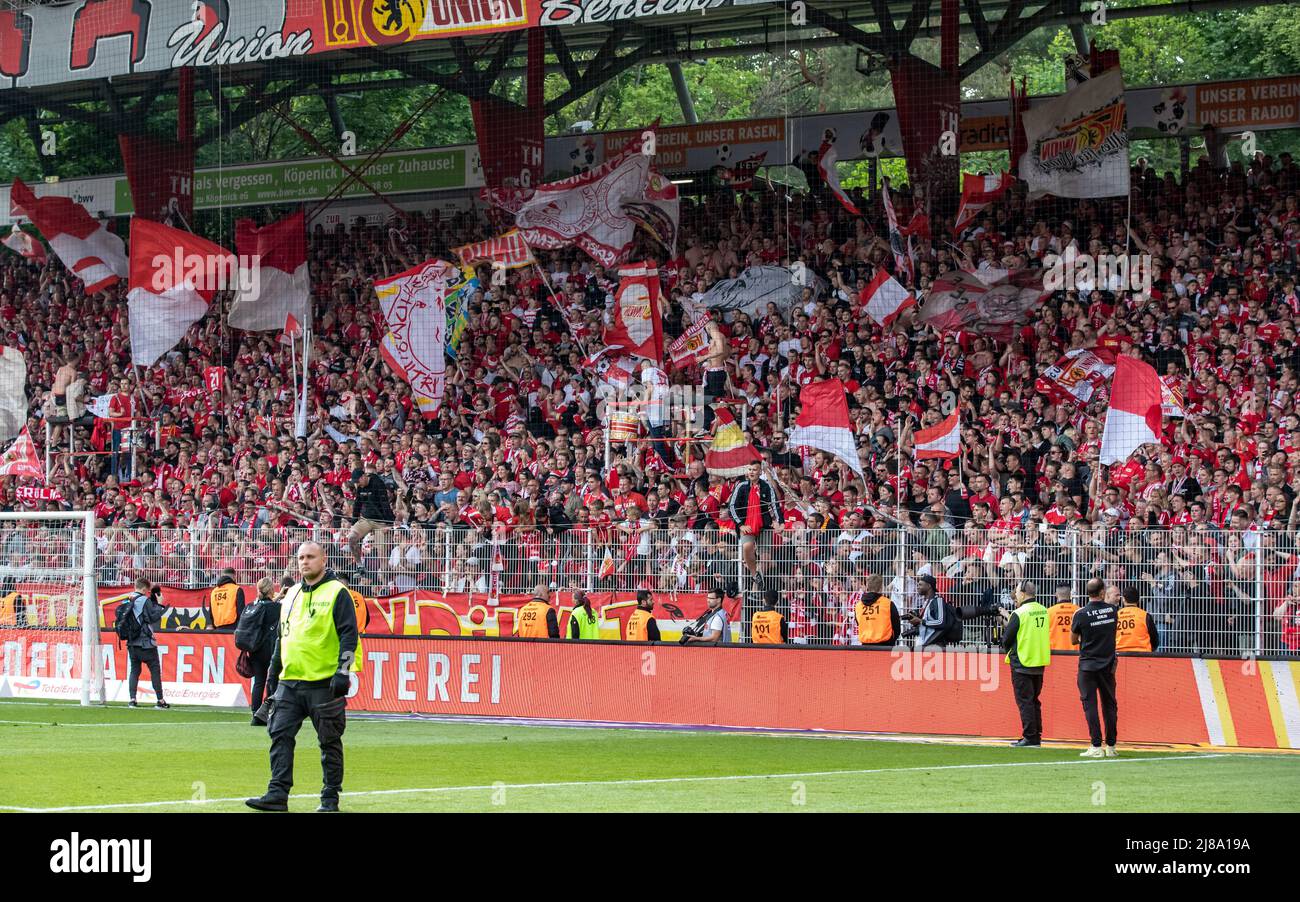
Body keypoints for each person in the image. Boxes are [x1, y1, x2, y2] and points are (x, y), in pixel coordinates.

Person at [246, 542, 359, 813]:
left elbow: (348, 635)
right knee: (279, 734)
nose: (304, 562)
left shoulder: (337, 592)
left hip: (324, 683)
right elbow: (283, 636)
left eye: (310, 557)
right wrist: (273, 674)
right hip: (291, 681)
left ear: (323, 559)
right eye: (300, 558)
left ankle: (329, 799)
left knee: (329, 741)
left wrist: (343, 671)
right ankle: (277, 794)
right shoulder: (292, 593)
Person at [999, 580, 1051, 748]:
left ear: (1022, 593)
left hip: (1021, 662)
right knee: (1034, 700)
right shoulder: (1043, 610)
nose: (1016, 595)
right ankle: (1036, 735)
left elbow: (1006, 639)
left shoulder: (1019, 613)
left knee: (1025, 701)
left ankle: (1029, 737)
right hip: (1039, 661)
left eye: (1016, 592)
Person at [1072, 577, 1119, 758]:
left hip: (1087, 665)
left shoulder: (1081, 614)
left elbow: (1073, 640)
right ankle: (1112, 746)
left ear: (1088, 593)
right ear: (1102, 593)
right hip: (1107, 665)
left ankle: (1096, 745)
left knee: (1089, 704)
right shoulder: (1113, 611)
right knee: (1110, 704)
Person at [727, 460, 782, 595]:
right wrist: (740, 524)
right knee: (747, 547)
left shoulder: (766, 487)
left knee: (765, 557)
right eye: (750, 469)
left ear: (760, 472)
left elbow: (775, 504)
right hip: (746, 525)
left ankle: (756, 586)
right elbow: (732, 506)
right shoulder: (741, 486)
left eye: (754, 470)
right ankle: (755, 576)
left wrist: (780, 521)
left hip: (764, 526)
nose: (751, 472)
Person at [119, 577, 170, 710]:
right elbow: (153, 617)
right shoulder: (144, 600)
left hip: (131, 642)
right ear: (143, 589)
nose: (148, 593)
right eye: (147, 591)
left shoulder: (127, 599)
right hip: (145, 642)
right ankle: (160, 700)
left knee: (134, 671)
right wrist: (159, 604)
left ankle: (132, 699)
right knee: (154, 669)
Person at [244, 577, 282, 726]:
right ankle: (269, 711)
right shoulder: (275, 607)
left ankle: (256, 712)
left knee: (258, 681)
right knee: (272, 680)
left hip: (255, 648)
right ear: (271, 590)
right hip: (270, 648)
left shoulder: (252, 605)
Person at [904, 574, 953, 648]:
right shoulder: (926, 602)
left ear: (929, 586)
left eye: (920, 585)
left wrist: (920, 621)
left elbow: (941, 622)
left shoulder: (938, 601)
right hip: (925, 644)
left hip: (935, 646)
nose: (918, 587)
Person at [855, 573, 899, 647]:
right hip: (885, 645)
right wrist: (892, 641)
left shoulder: (858, 605)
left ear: (867, 587)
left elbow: (859, 623)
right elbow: (896, 626)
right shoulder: (888, 603)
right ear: (881, 587)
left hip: (865, 645)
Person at [1116, 587, 1160, 653]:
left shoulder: (1116, 615)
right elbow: (1155, 640)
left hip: (1120, 653)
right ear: (1138, 600)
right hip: (1143, 654)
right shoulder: (1145, 615)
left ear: (1123, 600)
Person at [1046, 586, 1079, 652]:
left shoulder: (1049, 612)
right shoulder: (1078, 610)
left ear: (1056, 594)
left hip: (1054, 652)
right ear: (1070, 594)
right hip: (1076, 653)